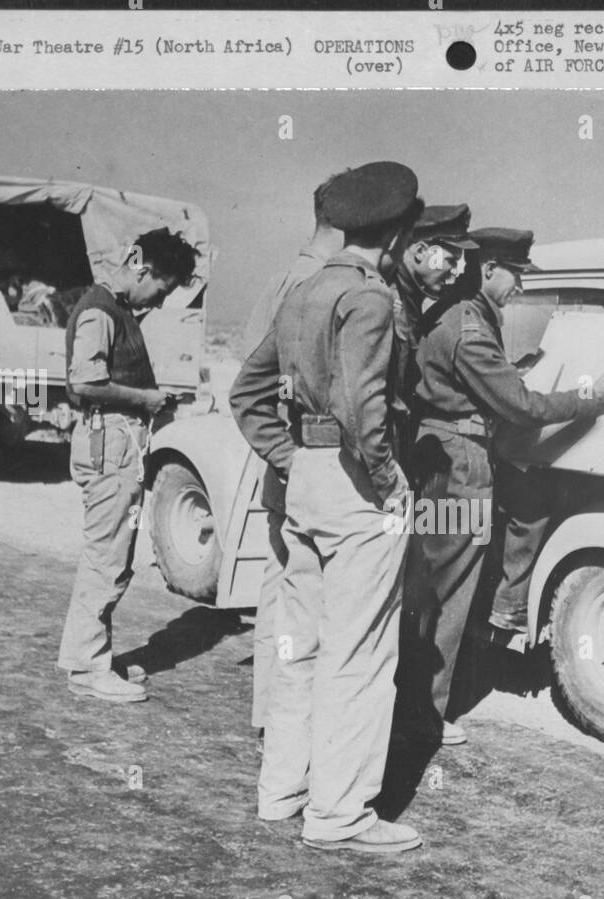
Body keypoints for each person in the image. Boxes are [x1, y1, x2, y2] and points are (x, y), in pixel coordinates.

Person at [229, 161, 424, 854]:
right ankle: (340, 814)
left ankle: (282, 791)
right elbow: (360, 404)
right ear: (396, 234)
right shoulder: (368, 300)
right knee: (361, 652)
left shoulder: (303, 291)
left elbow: (246, 395)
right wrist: (388, 477)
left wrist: (292, 458)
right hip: (354, 486)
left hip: (305, 481)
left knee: (299, 645)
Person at [402, 227, 604, 746]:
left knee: (433, 585)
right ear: (488, 269)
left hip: (443, 460)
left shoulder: (459, 314)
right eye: (516, 274)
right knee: (448, 591)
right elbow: (521, 407)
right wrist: (590, 397)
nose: (520, 287)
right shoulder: (470, 327)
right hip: (461, 468)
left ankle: (413, 705)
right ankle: (421, 716)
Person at [57, 227, 200, 702]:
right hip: (110, 439)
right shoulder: (101, 310)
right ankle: (87, 668)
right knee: (107, 558)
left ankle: (95, 657)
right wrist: (147, 398)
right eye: (159, 289)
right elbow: (86, 382)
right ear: (141, 266)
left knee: (111, 554)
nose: (158, 302)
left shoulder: (112, 306)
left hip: (114, 438)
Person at [245, 173, 344, 732]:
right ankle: (287, 728)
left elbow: (253, 380)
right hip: (307, 463)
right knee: (302, 605)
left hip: (285, 462)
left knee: (280, 593)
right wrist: (296, 457)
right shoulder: (319, 285)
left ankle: (270, 719)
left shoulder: (283, 278)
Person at [389, 204, 478, 469]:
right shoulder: (388, 301)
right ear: (419, 252)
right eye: (450, 261)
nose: (453, 272)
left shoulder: (411, 298)